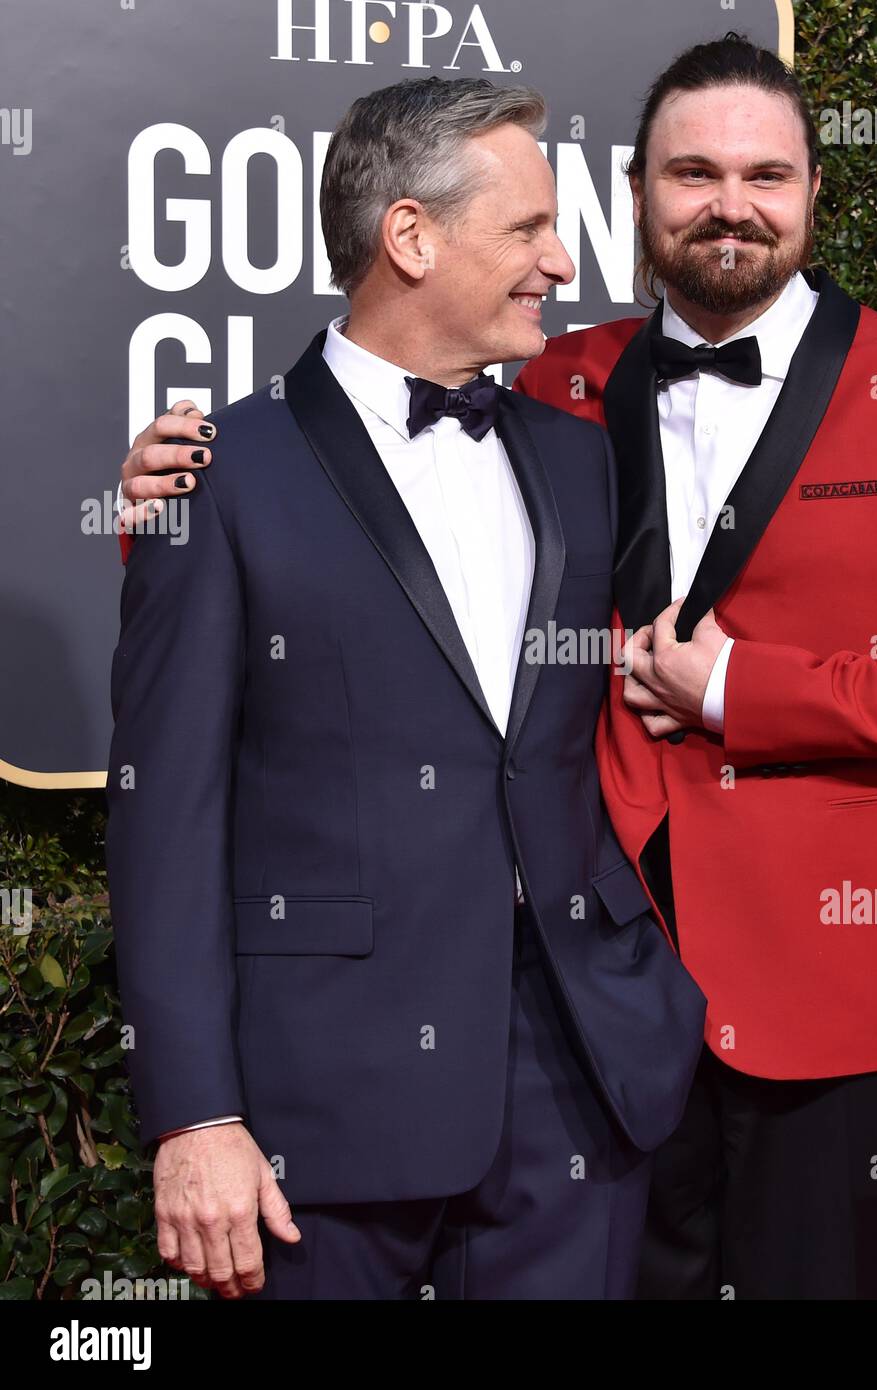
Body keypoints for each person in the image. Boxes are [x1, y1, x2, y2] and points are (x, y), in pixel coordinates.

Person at [119, 35, 877, 1300]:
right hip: (561, 1035)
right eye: (690, 172)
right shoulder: (558, 387)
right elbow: (269, 619)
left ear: (814, 195)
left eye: (767, 174)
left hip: (759, 1013)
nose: (731, 203)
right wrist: (158, 512)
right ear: (640, 196)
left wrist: (746, 690)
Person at [105, 75, 706, 1302]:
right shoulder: (213, 479)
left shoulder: (580, 459)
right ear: (412, 237)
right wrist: (193, 1116)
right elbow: (161, 822)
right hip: (321, 1108)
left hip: (578, 1080)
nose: (562, 258)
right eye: (530, 228)